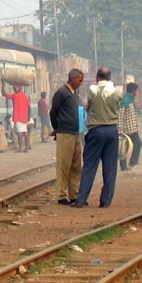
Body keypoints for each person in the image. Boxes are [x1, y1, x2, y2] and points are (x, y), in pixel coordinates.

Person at [72, 67, 122, 208]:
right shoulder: (117, 93)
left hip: (96, 131)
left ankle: (81, 199)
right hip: (112, 131)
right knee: (110, 167)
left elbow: (87, 106)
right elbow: (116, 105)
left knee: (89, 166)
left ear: (97, 77)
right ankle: (105, 201)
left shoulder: (91, 92)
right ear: (110, 77)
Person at [49, 69, 85, 205]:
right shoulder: (61, 93)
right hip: (65, 133)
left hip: (76, 133)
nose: (81, 83)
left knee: (76, 166)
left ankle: (74, 194)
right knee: (64, 165)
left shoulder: (75, 94)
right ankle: (61, 195)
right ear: (73, 78)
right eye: (80, 80)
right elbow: (53, 112)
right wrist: (56, 128)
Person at [118, 82, 142, 171]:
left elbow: (133, 116)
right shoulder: (124, 101)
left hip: (132, 128)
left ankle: (131, 163)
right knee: (124, 147)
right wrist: (120, 129)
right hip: (126, 129)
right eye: (136, 90)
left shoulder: (131, 100)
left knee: (136, 144)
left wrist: (137, 127)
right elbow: (120, 116)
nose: (137, 92)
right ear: (133, 91)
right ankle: (127, 165)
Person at [5, 84, 32, 153]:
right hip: (24, 116)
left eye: (14, 88)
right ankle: (26, 148)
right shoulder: (25, 96)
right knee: (25, 132)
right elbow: (29, 107)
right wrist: (28, 116)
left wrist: (2, 84)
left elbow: (4, 94)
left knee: (19, 132)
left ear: (16, 89)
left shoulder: (15, 95)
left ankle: (20, 148)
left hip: (18, 116)